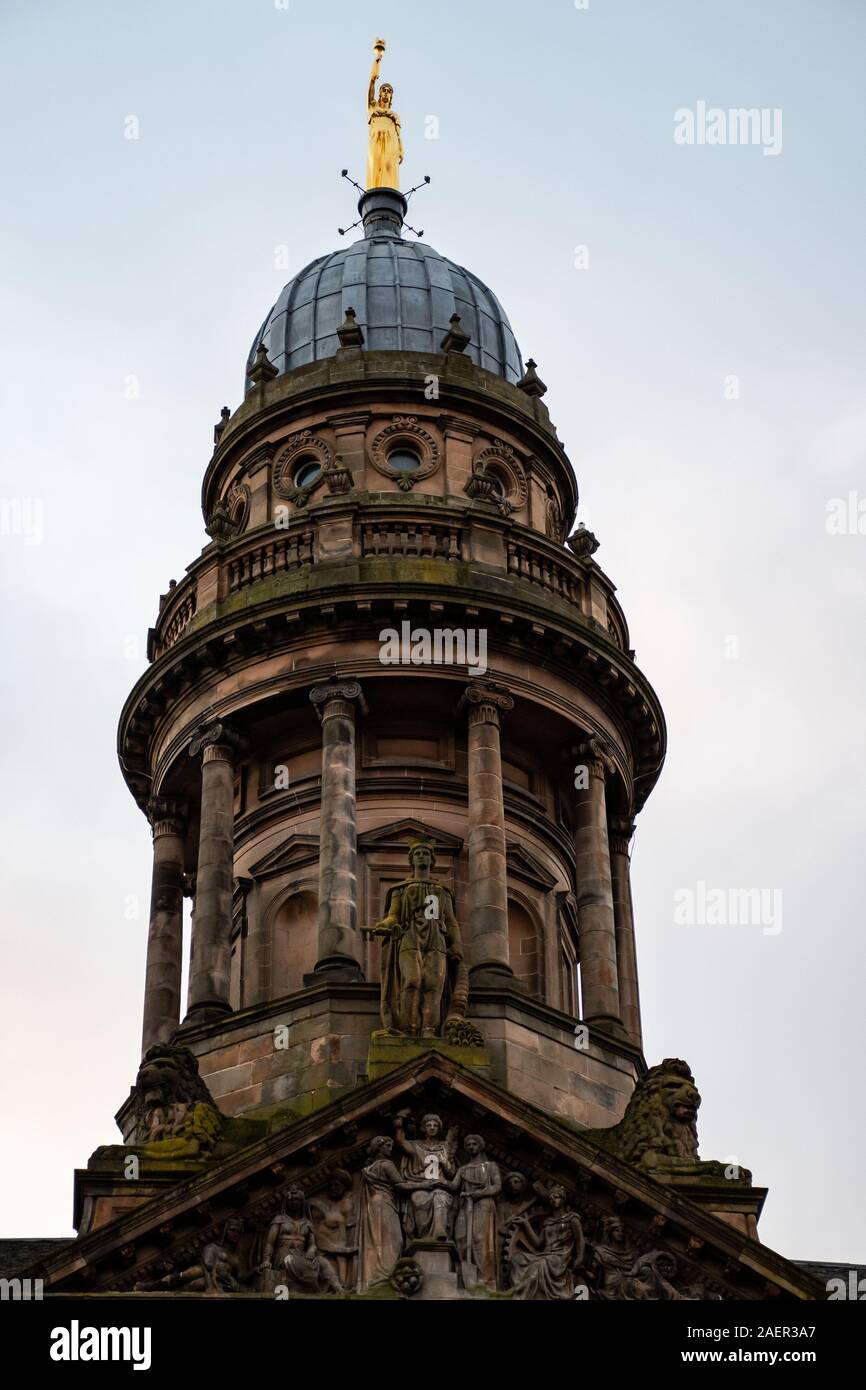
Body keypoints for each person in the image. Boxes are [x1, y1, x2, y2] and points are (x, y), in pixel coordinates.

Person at [367, 39, 403, 189]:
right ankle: (374, 190)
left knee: (389, 167)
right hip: (376, 136)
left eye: (389, 91)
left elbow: (398, 134)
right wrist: (378, 59)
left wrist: (401, 149)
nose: (386, 93)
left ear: (391, 96)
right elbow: (372, 81)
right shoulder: (372, 107)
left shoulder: (394, 114)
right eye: (384, 90)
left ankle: (391, 191)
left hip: (391, 139)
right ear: (380, 93)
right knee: (375, 164)